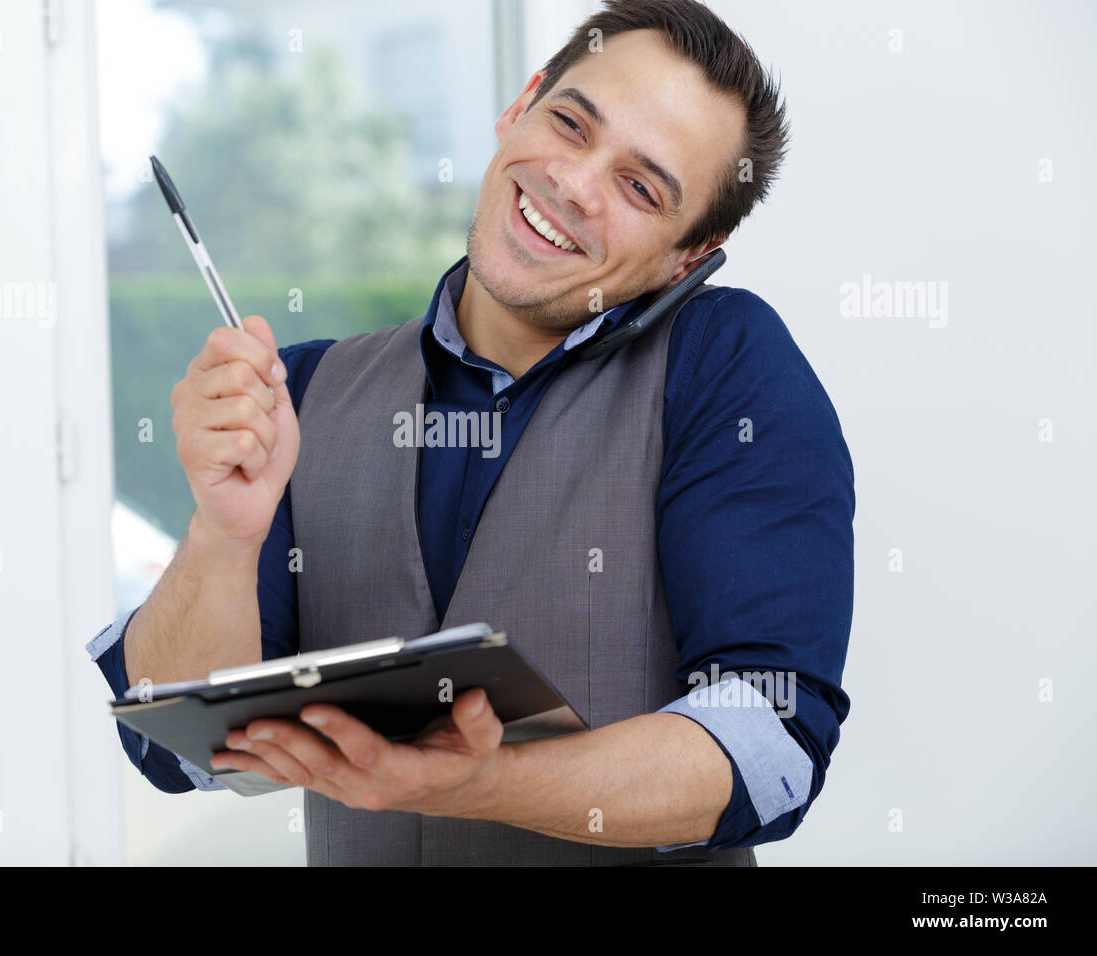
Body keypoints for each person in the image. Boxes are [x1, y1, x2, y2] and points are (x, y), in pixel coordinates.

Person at [87, 0, 854, 866]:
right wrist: (224, 534)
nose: (574, 183)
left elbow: (770, 740)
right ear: (521, 103)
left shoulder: (726, 366)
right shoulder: (305, 393)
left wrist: (482, 783)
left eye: (641, 187)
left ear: (690, 255)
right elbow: (179, 749)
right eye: (569, 123)